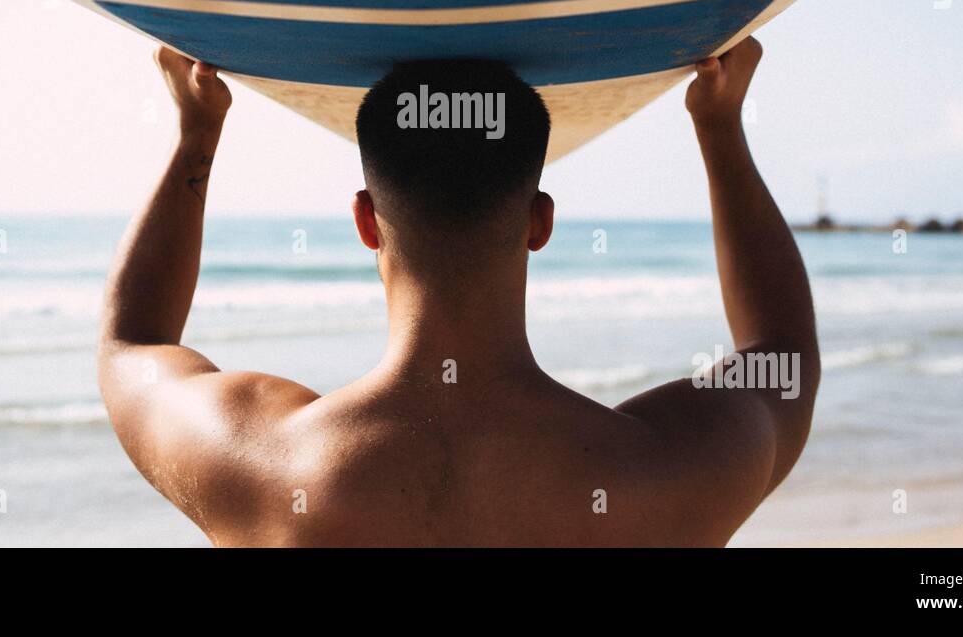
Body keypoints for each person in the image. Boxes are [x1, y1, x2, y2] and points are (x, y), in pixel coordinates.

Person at [98, 37, 818, 546]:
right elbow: (783, 352)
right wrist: (720, 129)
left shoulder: (262, 467)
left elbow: (131, 343)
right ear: (540, 222)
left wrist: (198, 130)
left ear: (365, 222)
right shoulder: (659, 477)